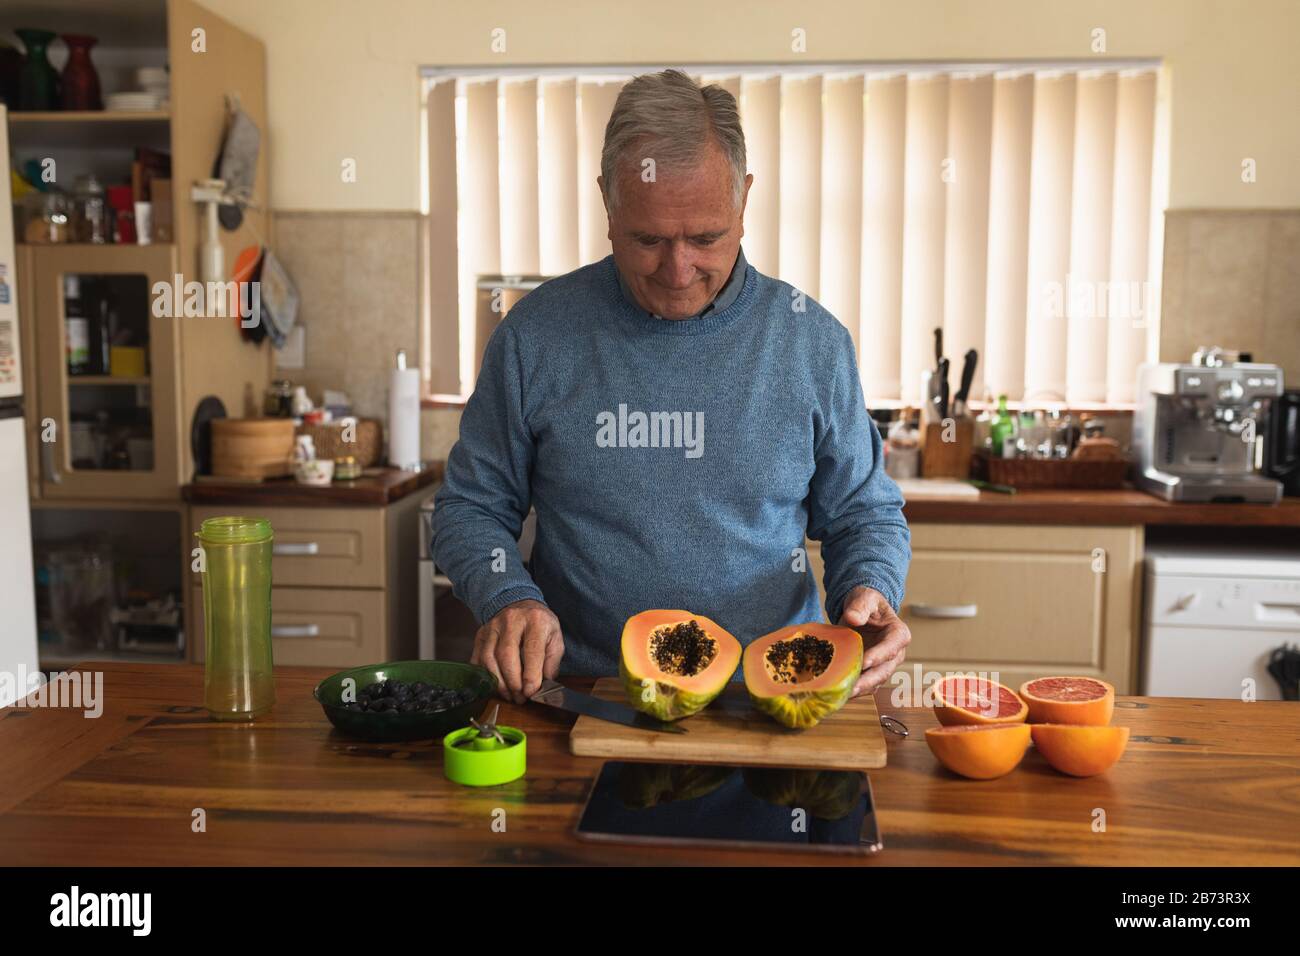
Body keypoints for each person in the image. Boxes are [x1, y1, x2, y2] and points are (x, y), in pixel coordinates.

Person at [433, 69, 911, 704]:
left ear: (744, 200)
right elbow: (470, 506)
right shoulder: (535, 336)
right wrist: (507, 596)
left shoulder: (813, 342)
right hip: (587, 695)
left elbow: (863, 513)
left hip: (774, 700)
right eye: (649, 240)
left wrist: (869, 587)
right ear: (608, 201)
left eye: (706, 238)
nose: (679, 270)